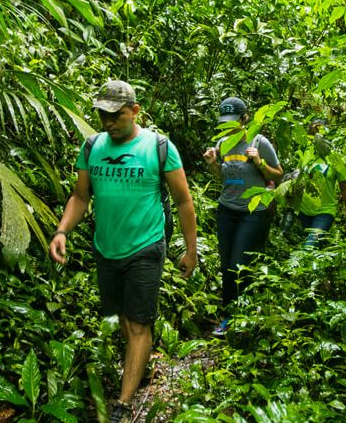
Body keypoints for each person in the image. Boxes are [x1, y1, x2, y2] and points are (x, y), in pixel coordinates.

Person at [49, 80, 197, 423]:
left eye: (116, 115)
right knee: (116, 316)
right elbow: (81, 197)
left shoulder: (159, 147)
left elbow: (183, 201)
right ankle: (138, 361)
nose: (108, 122)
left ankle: (123, 403)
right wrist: (61, 231)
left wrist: (191, 250)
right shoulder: (92, 147)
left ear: (135, 111)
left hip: (145, 246)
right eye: (103, 115)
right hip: (106, 248)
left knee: (137, 323)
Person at [202, 97, 283, 335]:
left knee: (239, 264)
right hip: (227, 210)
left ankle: (242, 315)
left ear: (245, 118)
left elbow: (278, 175)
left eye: (234, 121)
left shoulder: (259, 142)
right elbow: (225, 178)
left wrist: (259, 162)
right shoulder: (223, 143)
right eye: (225, 122)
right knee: (228, 265)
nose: (230, 126)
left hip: (253, 213)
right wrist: (212, 164)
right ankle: (229, 316)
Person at [295, 119, 346, 250]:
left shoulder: (335, 158)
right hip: (304, 210)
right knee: (316, 246)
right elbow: (297, 177)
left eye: (320, 130)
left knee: (309, 246)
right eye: (314, 130)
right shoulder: (306, 152)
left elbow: (344, 189)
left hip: (325, 211)